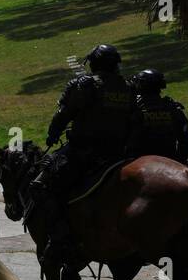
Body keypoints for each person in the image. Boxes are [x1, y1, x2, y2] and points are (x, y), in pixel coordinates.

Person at [27, 44, 133, 266]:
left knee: (39, 186)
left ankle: (59, 237)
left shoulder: (85, 85)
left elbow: (64, 113)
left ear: (93, 63)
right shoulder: (129, 87)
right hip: (118, 154)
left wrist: (53, 135)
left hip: (83, 152)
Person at [128, 68, 188, 163]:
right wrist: (179, 161)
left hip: (138, 160)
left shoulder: (133, 109)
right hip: (170, 159)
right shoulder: (172, 108)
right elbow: (185, 140)